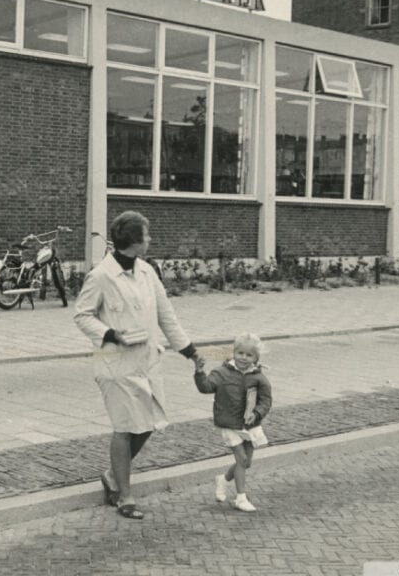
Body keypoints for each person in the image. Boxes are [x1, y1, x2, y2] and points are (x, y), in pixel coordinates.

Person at [74, 210, 199, 520]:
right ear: (133, 240)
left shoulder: (147, 271)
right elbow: (82, 315)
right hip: (115, 364)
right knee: (125, 427)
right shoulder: (101, 276)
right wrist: (111, 334)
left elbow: (166, 314)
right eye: (146, 235)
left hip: (147, 361)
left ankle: (112, 476)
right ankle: (124, 495)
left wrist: (189, 351)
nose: (150, 239)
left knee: (149, 423)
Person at [194, 333, 272, 512]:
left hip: (249, 425)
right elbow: (206, 387)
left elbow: (266, 400)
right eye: (240, 353)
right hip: (229, 423)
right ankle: (240, 498)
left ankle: (223, 479)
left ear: (256, 358)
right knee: (241, 459)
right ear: (234, 353)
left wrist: (257, 414)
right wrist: (199, 372)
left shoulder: (259, 378)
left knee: (246, 462)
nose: (243, 358)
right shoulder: (221, 373)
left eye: (249, 355)